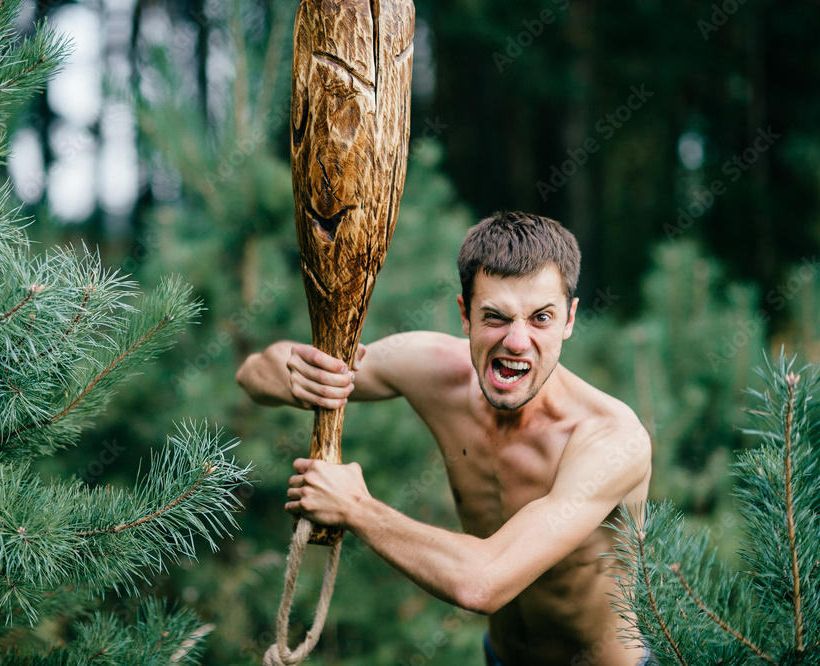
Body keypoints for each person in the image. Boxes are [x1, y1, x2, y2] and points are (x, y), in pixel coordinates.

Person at [236, 211, 653, 666]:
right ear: (464, 315)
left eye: (541, 318)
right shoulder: (433, 368)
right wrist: (299, 376)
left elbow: (483, 583)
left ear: (569, 320)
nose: (517, 341)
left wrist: (355, 507)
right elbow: (254, 373)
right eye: (495, 316)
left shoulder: (610, 438)